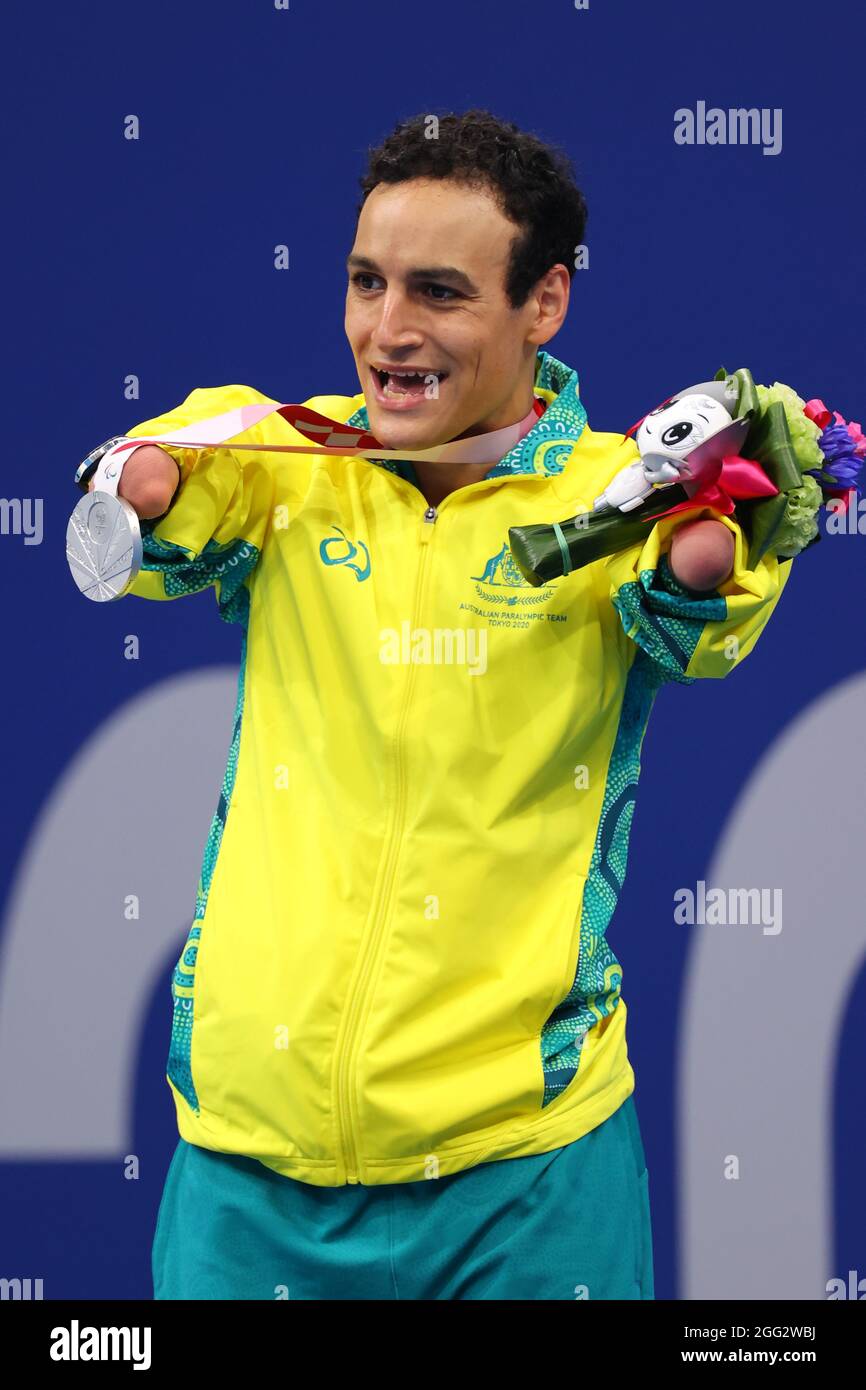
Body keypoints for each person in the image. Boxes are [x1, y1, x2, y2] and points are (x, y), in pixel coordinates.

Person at [85, 109, 790, 1300]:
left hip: (522, 1175)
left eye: (440, 293)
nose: (388, 331)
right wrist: (136, 484)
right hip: (245, 1171)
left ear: (543, 303)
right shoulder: (278, 459)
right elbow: (157, 499)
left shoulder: (617, 500)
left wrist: (713, 555)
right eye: (366, 283)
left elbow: (703, 608)